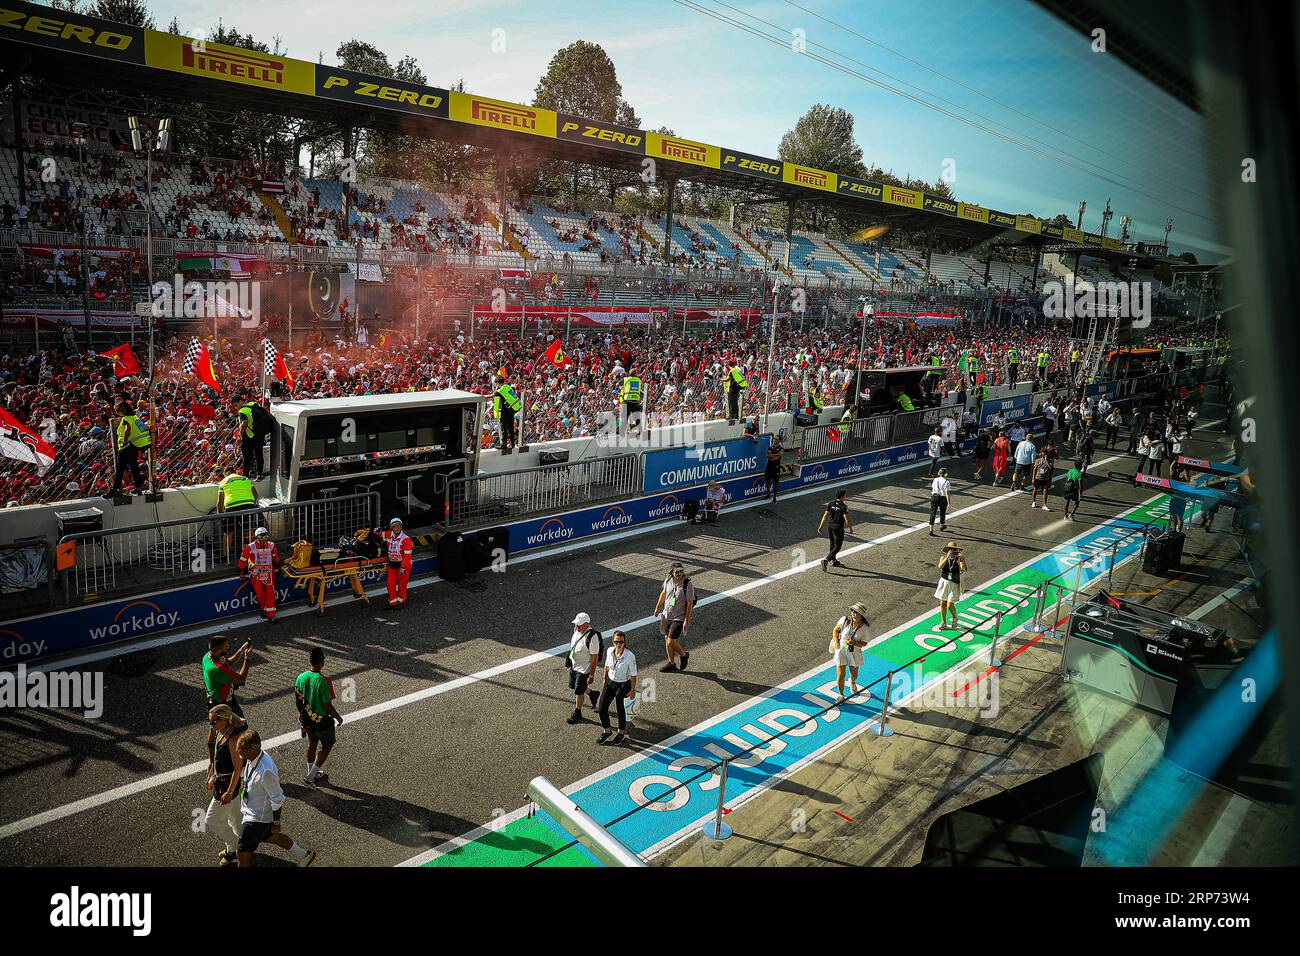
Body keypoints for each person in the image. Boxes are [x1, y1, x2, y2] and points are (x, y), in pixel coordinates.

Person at [235, 730, 316, 867]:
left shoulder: (265, 771)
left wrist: (276, 823)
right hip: (255, 812)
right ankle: (304, 855)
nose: (237, 752)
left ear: (250, 749)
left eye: (240, 750)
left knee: (241, 852)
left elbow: (278, 798)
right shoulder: (254, 757)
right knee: (271, 837)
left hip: (257, 818)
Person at [204, 704, 246, 867]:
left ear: (226, 719)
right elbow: (216, 758)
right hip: (221, 782)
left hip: (228, 786)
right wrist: (210, 774)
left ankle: (237, 847)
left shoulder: (233, 738)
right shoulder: (219, 732)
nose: (211, 725)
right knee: (235, 818)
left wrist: (229, 791)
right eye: (210, 721)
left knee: (211, 820)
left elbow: (237, 768)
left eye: (214, 721)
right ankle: (233, 850)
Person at [295, 646, 343, 786]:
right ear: (322, 662)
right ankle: (310, 776)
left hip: (307, 719)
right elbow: (327, 706)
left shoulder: (300, 677)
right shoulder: (324, 681)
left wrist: (301, 715)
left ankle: (313, 772)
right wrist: (338, 717)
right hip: (322, 722)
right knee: (327, 745)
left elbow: (298, 701)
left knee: (312, 743)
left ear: (310, 661)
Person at [596, 630, 637, 745]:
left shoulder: (630, 656)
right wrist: (604, 677)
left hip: (623, 685)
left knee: (620, 710)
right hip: (610, 683)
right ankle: (607, 731)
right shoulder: (609, 651)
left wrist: (633, 689)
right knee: (602, 708)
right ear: (612, 641)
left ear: (624, 642)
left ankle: (621, 733)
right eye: (616, 641)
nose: (618, 644)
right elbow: (607, 665)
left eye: (621, 642)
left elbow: (633, 674)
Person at [655, 562, 696, 671]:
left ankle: (683, 655)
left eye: (681, 571)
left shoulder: (687, 584)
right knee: (666, 638)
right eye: (677, 572)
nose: (679, 573)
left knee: (671, 641)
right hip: (667, 614)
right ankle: (671, 663)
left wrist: (687, 620)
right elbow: (663, 593)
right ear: (672, 573)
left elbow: (690, 603)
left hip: (679, 617)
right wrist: (658, 607)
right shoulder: (668, 580)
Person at [106, 401, 150, 497]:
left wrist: (125, 441)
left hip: (127, 446)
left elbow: (127, 429)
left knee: (120, 468)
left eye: (117, 410)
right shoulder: (134, 417)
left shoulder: (126, 418)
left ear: (123, 410)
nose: (116, 412)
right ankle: (138, 486)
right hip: (135, 445)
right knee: (133, 466)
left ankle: (115, 489)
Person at [565, 612, 603, 724]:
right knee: (574, 686)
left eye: (579, 624)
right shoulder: (577, 630)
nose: (577, 626)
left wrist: (591, 674)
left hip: (584, 668)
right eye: (576, 624)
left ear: (587, 624)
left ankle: (578, 712)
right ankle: (592, 693)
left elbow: (594, 658)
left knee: (578, 691)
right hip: (574, 665)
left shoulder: (593, 637)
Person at [830, 602, 872, 702]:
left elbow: (864, 643)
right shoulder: (844, 620)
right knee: (840, 673)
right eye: (852, 610)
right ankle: (841, 695)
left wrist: (854, 642)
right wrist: (836, 644)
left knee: (854, 674)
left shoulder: (865, 628)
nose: (853, 613)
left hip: (854, 652)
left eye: (856, 612)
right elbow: (835, 630)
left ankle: (852, 682)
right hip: (841, 650)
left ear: (861, 615)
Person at [238, 526, 281, 623]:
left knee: (271, 593)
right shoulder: (250, 547)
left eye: (265, 536)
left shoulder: (271, 545)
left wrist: (277, 568)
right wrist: (242, 573)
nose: (264, 538)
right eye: (261, 536)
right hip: (256, 574)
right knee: (260, 593)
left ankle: (271, 615)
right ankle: (263, 609)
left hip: (269, 573)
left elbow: (276, 559)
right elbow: (242, 561)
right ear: (256, 537)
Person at [203, 634, 251, 718]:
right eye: (226, 646)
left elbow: (228, 662)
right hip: (223, 702)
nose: (228, 647)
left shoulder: (208, 656)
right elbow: (241, 679)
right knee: (241, 726)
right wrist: (247, 658)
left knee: (219, 728)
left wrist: (240, 651)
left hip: (216, 698)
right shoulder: (218, 669)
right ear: (218, 650)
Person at [216, 467, 259, 558]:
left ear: (225, 473)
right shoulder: (246, 479)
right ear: (235, 472)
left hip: (231, 507)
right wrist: (251, 505)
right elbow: (255, 495)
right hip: (248, 505)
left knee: (228, 533)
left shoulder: (223, 482)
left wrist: (220, 515)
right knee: (249, 531)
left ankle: (225, 556)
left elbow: (220, 502)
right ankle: (254, 554)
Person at [380, 517, 413, 607]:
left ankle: (402, 601)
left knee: (402, 584)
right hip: (392, 565)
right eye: (394, 526)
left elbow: (407, 556)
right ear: (392, 528)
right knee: (390, 584)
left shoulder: (406, 540)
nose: (397, 528)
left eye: (398, 526)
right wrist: (372, 531)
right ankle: (393, 602)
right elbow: (379, 534)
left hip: (403, 565)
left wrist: (403, 567)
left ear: (401, 527)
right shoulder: (389, 534)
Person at [935, 542, 967, 630]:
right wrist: (947, 557)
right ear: (948, 550)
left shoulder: (958, 559)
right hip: (944, 582)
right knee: (942, 603)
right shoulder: (943, 557)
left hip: (954, 584)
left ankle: (955, 617)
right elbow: (940, 566)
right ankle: (943, 622)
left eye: (954, 549)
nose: (952, 551)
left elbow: (964, 569)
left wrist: (962, 561)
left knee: (949, 605)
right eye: (950, 549)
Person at [819, 488, 853, 570]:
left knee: (832, 543)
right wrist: (850, 528)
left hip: (830, 527)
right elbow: (847, 518)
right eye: (845, 495)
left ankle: (834, 560)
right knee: (838, 546)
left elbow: (825, 516)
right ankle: (826, 560)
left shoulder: (830, 504)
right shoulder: (844, 507)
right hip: (838, 528)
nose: (845, 497)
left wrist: (820, 526)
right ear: (842, 497)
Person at [492, 374, 522, 452]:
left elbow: (492, 395)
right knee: (511, 427)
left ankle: (504, 444)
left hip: (505, 411)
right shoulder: (508, 387)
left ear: (498, 383)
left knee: (504, 427)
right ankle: (512, 443)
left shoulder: (500, 390)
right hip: (511, 409)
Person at [619, 364, 643, 436]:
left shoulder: (626, 379)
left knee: (625, 418)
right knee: (637, 417)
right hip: (635, 402)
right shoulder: (639, 380)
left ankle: (622, 433)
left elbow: (617, 384)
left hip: (627, 401)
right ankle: (639, 432)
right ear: (635, 374)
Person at [929, 467, 952, 535]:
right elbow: (947, 493)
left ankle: (931, 529)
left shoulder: (935, 479)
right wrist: (949, 503)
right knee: (942, 512)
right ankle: (941, 525)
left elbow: (933, 488)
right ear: (946, 474)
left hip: (934, 497)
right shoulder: (947, 482)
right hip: (942, 498)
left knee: (933, 513)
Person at [763, 432, 784, 501]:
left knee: (775, 482)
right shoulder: (770, 446)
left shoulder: (780, 448)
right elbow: (768, 456)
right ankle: (768, 494)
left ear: (779, 441)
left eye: (776, 439)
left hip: (776, 466)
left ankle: (774, 496)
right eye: (774, 439)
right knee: (767, 481)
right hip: (769, 465)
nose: (775, 440)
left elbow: (776, 459)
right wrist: (777, 454)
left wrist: (774, 455)